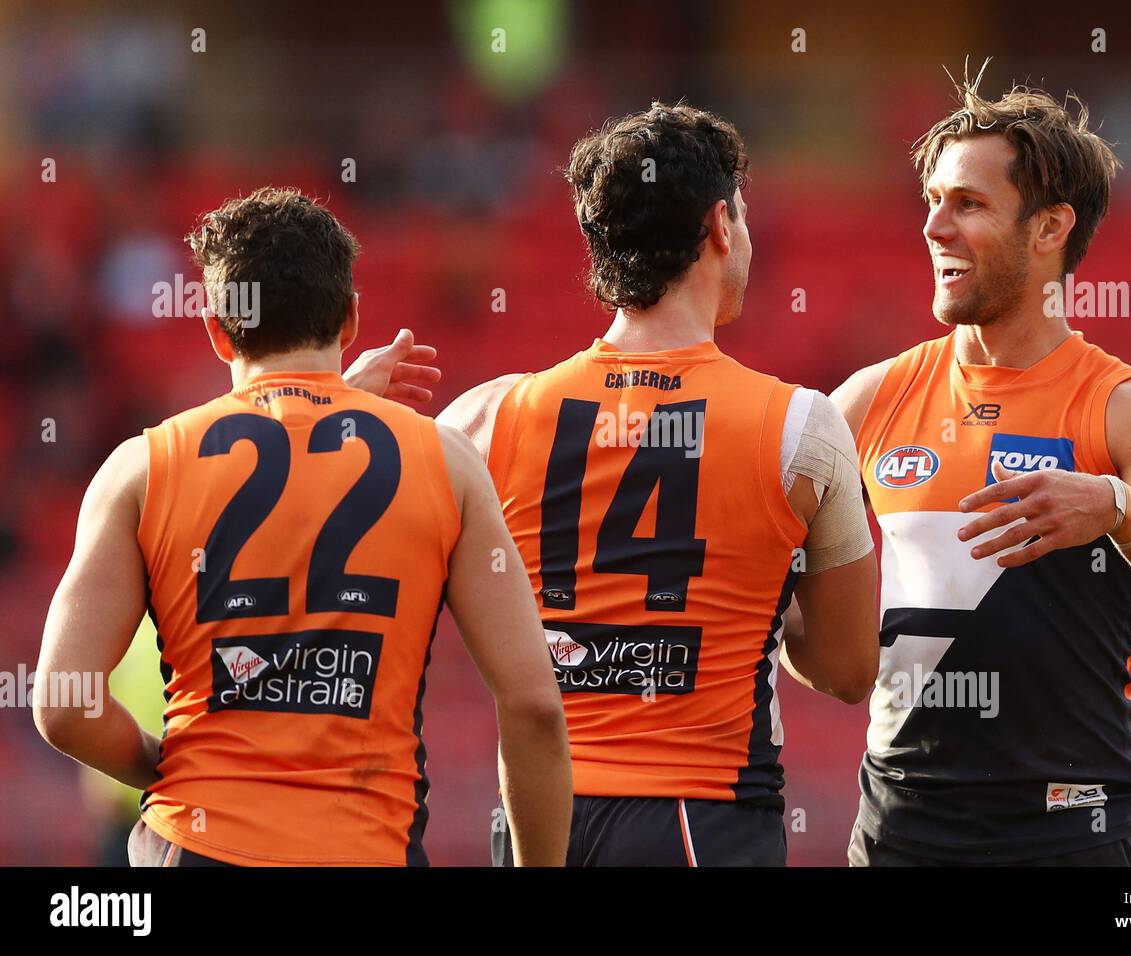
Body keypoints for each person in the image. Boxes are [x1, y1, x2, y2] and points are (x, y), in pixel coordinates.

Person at [33, 187, 571, 866]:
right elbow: (535, 707)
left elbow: (61, 703)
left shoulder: (138, 470)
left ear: (216, 330)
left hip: (194, 844)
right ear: (349, 321)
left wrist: (169, 768)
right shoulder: (444, 461)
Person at [433, 102, 880, 866]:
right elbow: (845, 670)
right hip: (702, 819)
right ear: (719, 227)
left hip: (535, 818)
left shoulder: (482, 418)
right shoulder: (799, 427)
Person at [829, 69, 1131, 866]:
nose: (934, 227)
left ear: (1051, 228)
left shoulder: (1125, 409)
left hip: (1071, 830)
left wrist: (1119, 509)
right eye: (933, 200)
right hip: (900, 832)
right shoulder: (865, 402)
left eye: (968, 204)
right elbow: (798, 624)